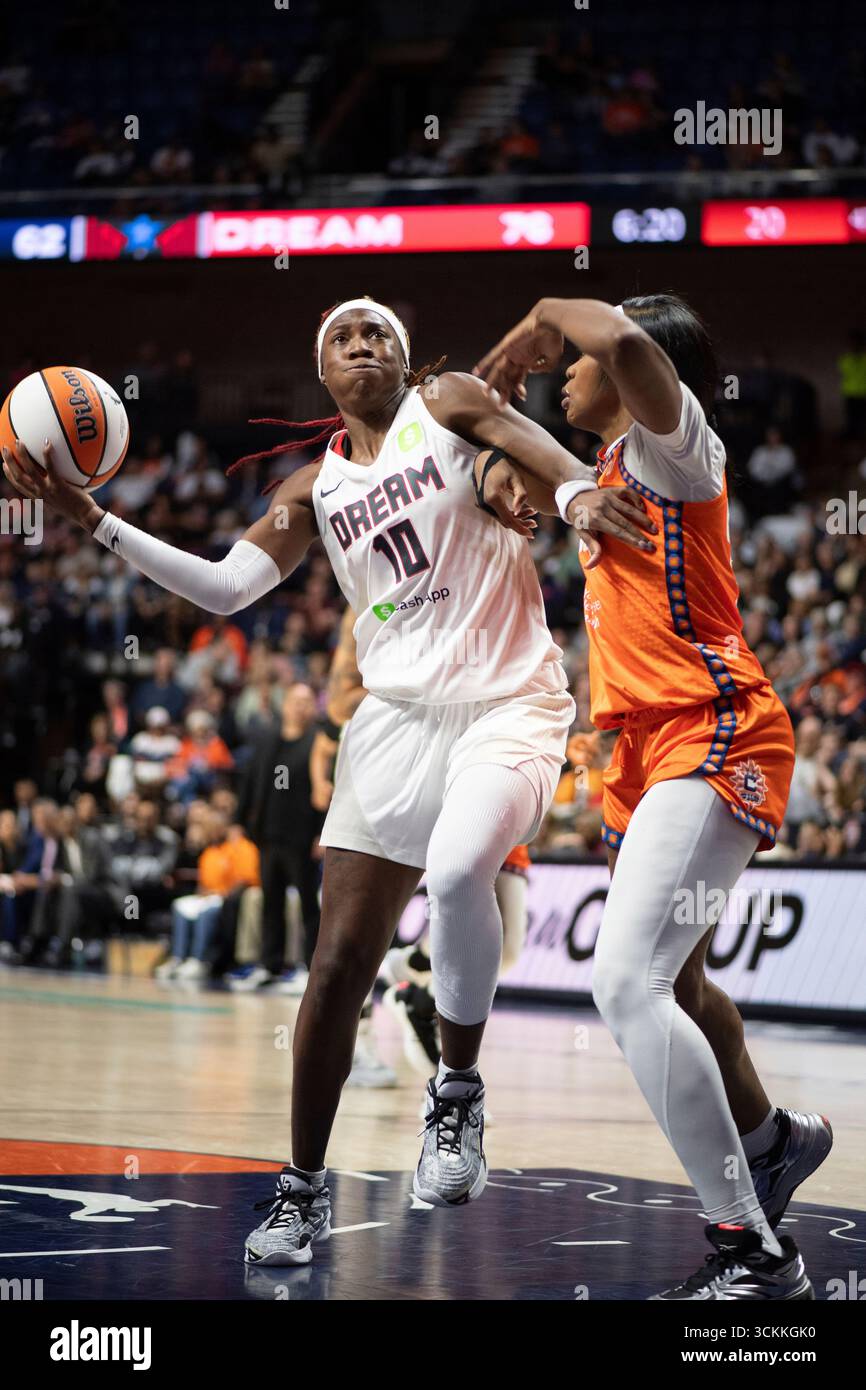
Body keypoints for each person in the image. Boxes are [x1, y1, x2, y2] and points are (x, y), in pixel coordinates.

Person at [3, 294, 655, 1267]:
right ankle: (301, 1190)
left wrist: (569, 495)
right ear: (321, 370)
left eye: (377, 333)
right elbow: (226, 587)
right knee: (335, 967)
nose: (362, 343)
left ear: (401, 358)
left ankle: (456, 1098)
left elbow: (517, 441)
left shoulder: (446, 401)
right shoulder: (312, 487)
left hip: (508, 700)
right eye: (343, 336)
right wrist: (93, 519)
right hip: (389, 720)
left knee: (459, 865)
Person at [473, 293, 832, 1300]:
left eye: (571, 359)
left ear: (641, 377)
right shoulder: (600, 475)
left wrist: (542, 309)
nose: (563, 368)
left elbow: (621, 339)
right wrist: (485, 408)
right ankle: (770, 1141)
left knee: (621, 982)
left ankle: (752, 1250)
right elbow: (498, 425)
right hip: (643, 753)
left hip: (713, 731)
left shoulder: (677, 448)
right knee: (673, 987)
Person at [229, 683, 322, 995]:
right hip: (268, 837)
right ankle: (270, 966)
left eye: (307, 701)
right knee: (271, 903)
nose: (301, 707)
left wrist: (323, 832)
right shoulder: (268, 740)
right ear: (285, 706)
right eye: (296, 700)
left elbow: (326, 791)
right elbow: (250, 781)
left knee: (309, 906)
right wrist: (239, 821)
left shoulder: (316, 743)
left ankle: (310, 968)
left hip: (303, 839)